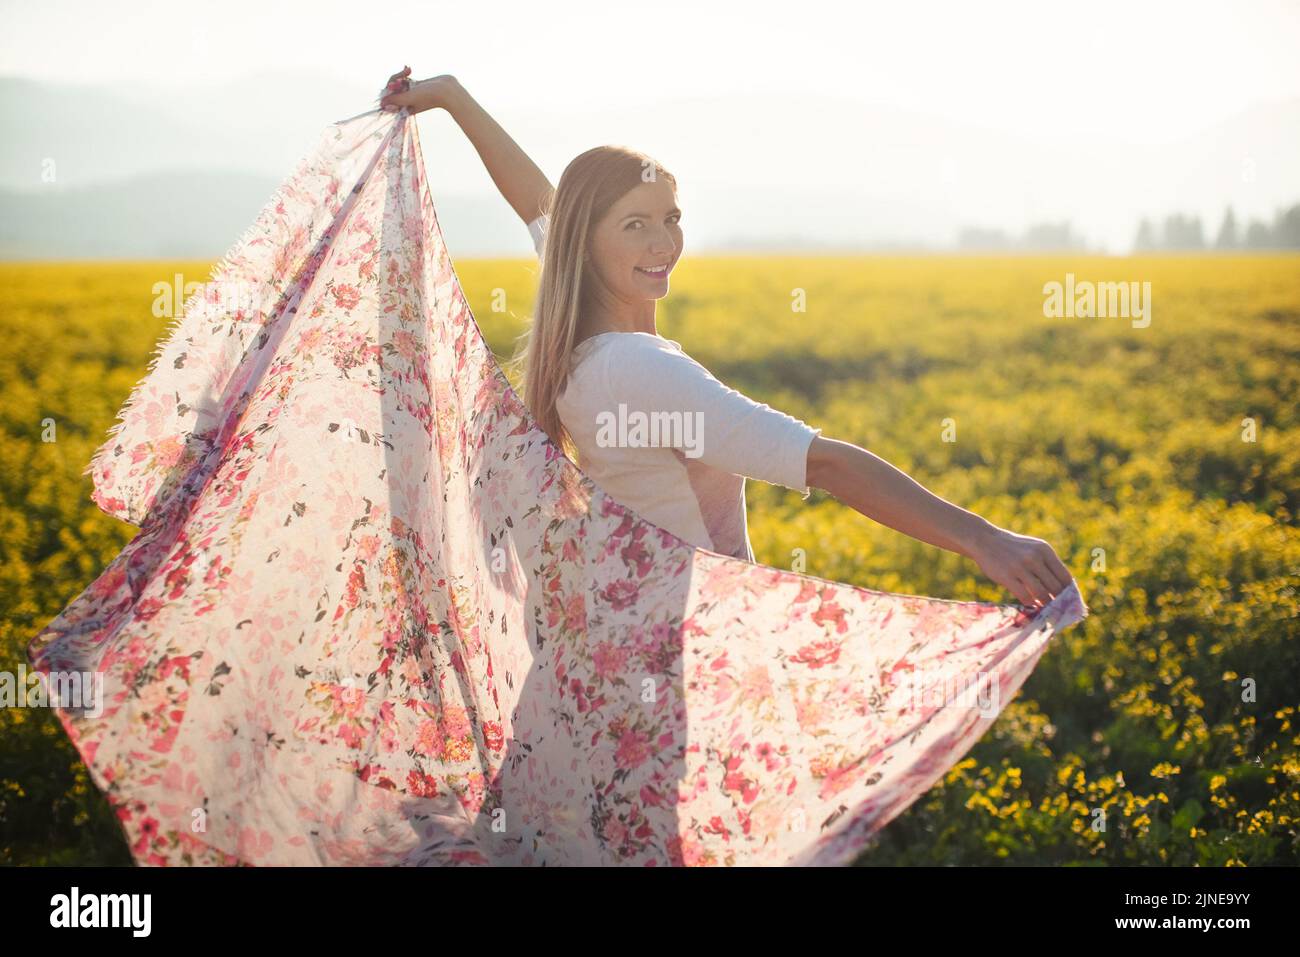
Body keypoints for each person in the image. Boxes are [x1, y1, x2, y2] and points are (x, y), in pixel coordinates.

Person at [379, 69, 1072, 609]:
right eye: (635, 225)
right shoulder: (637, 371)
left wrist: (452, 97)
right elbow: (823, 463)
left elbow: (536, 200)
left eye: (671, 217)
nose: (664, 243)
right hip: (674, 660)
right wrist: (984, 539)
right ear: (583, 243)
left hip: (615, 651)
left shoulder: (587, 333)